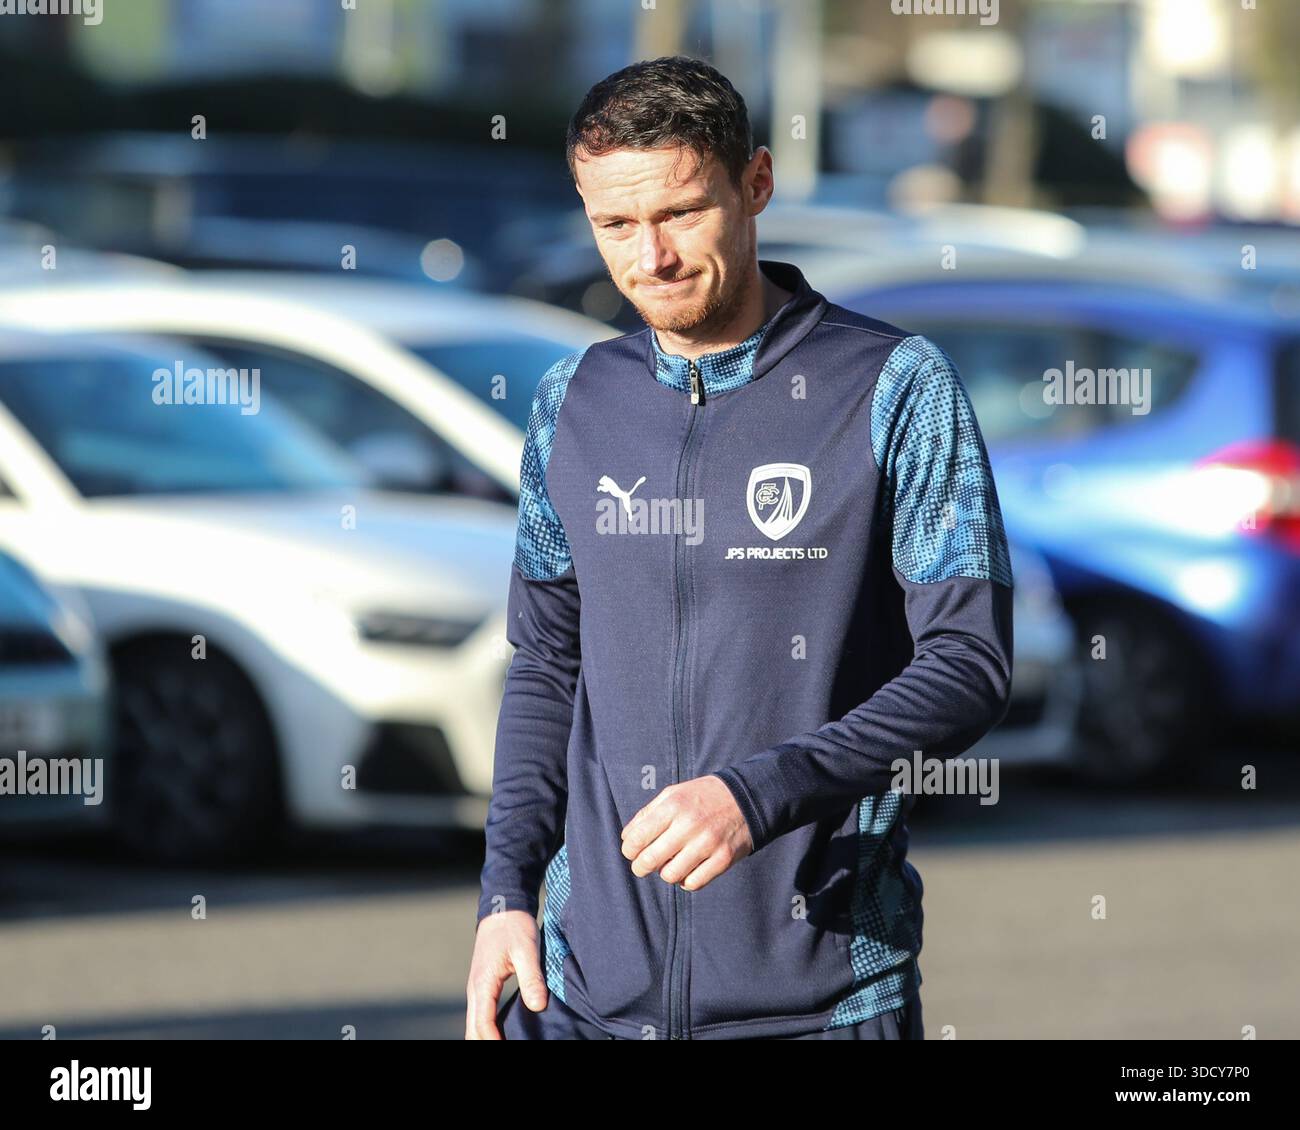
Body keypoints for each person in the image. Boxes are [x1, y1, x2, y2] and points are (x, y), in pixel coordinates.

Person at [465, 55, 1013, 1041]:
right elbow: (547, 662)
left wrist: (758, 792)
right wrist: (503, 893)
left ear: (755, 183)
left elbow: (968, 665)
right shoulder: (573, 402)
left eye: (680, 212)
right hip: (582, 998)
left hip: (822, 1000)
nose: (650, 257)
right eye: (615, 224)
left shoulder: (892, 385)